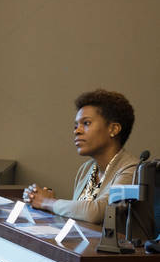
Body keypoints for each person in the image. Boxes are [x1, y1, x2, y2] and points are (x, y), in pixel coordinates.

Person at [25, 90, 140, 225]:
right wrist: (38, 198)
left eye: (86, 123)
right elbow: (79, 218)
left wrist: (47, 202)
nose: (77, 131)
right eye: (76, 125)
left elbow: (98, 212)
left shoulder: (133, 170)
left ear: (113, 129)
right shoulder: (86, 169)